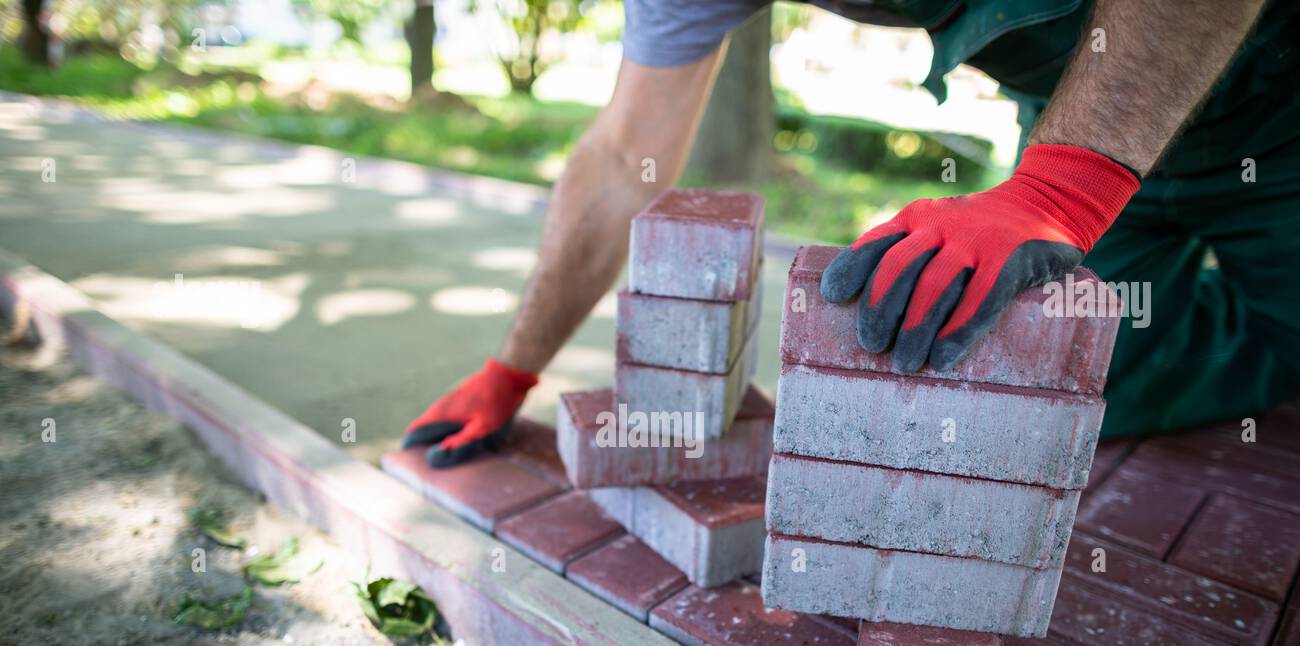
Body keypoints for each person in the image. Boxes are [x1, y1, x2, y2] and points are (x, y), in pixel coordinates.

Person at [403, 0, 1300, 467]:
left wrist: (1063, 190)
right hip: (1091, 126)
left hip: (1277, 107)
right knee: (1092, 378)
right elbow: (617, 158)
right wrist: (514, 366)